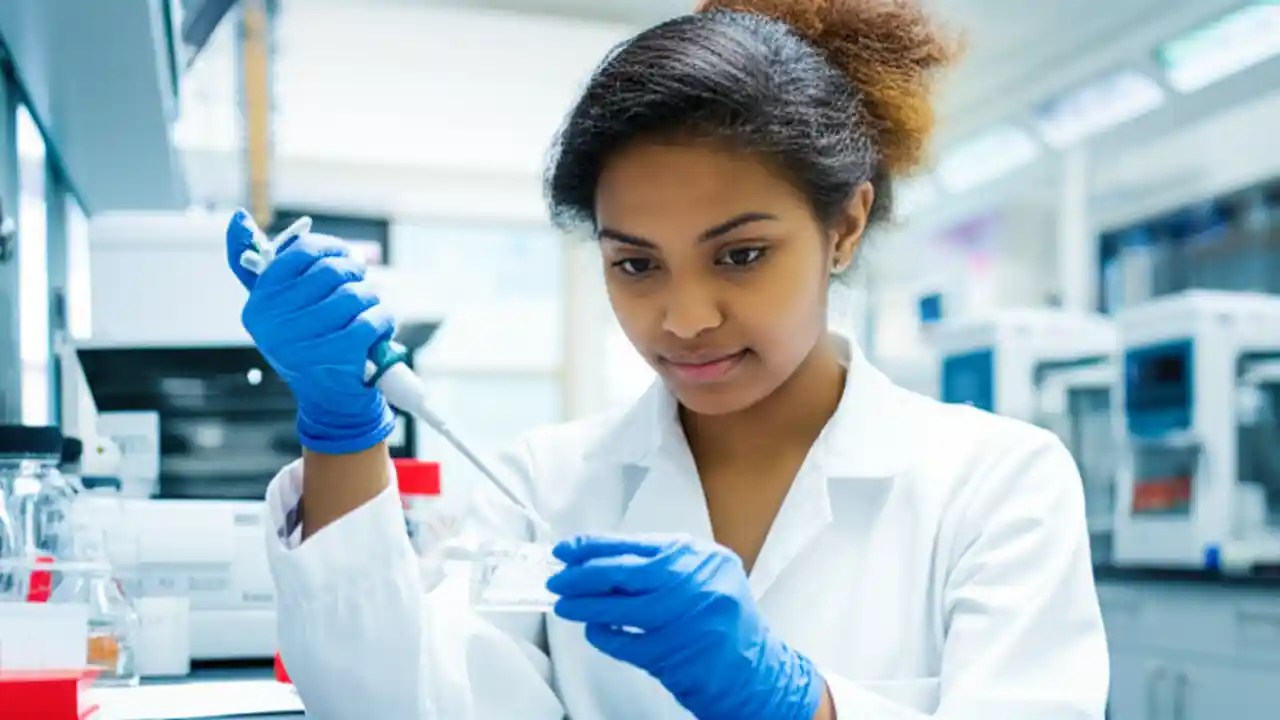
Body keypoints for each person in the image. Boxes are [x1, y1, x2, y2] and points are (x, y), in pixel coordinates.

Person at [225, 1, 1109, 718]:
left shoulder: (998, 483)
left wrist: (800, 704)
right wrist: (341, 428)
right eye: (636, 264)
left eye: (740, 255)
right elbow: (398, 707)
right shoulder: (542, 483)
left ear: (843, 226)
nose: (685, 319)